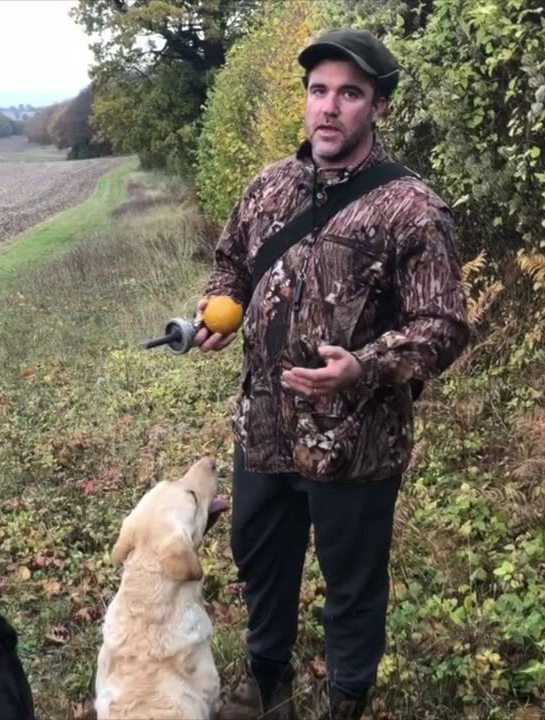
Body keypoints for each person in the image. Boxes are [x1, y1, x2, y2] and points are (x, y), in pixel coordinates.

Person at [195, 28, 470, 720]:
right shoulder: (270, 188)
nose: (329, 107)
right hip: (263, 428)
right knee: (260, 562)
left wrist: (365, 367)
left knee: (352, 583)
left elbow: (443, 324)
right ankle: (267, 682)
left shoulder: (412, 208)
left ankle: (347, 699)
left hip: (355, 442)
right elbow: (230, 262)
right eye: (319, 90)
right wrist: (215, 308)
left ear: (376, 105)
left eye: (349, 94)